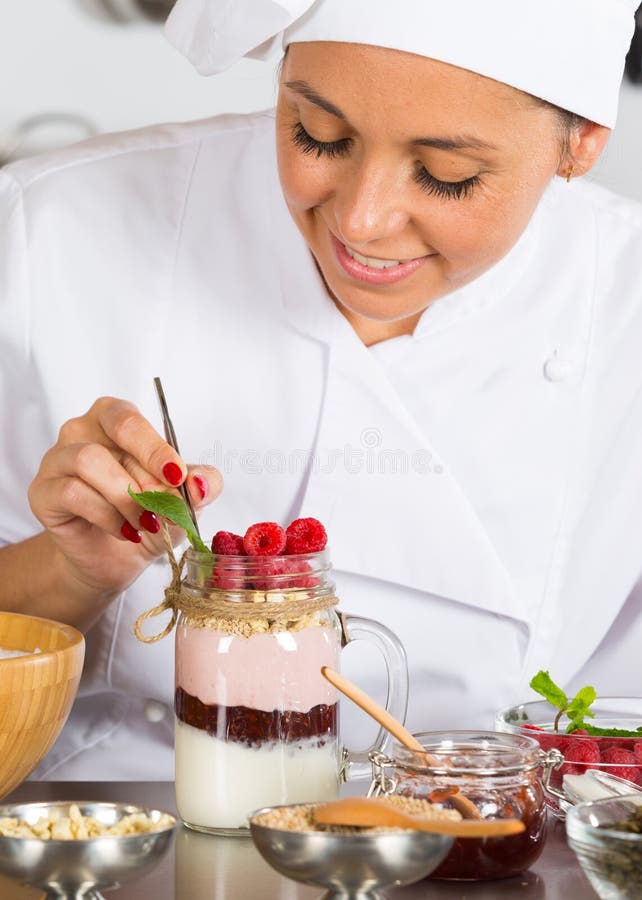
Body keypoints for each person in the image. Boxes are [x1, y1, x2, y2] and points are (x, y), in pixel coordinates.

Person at [1, 0, 641, 781]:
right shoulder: (55, 228)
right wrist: (74, 572)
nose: (363, 220)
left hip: (493, 849)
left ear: (581, 145)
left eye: (448, 176)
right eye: (317, 135)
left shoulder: (624, 308)